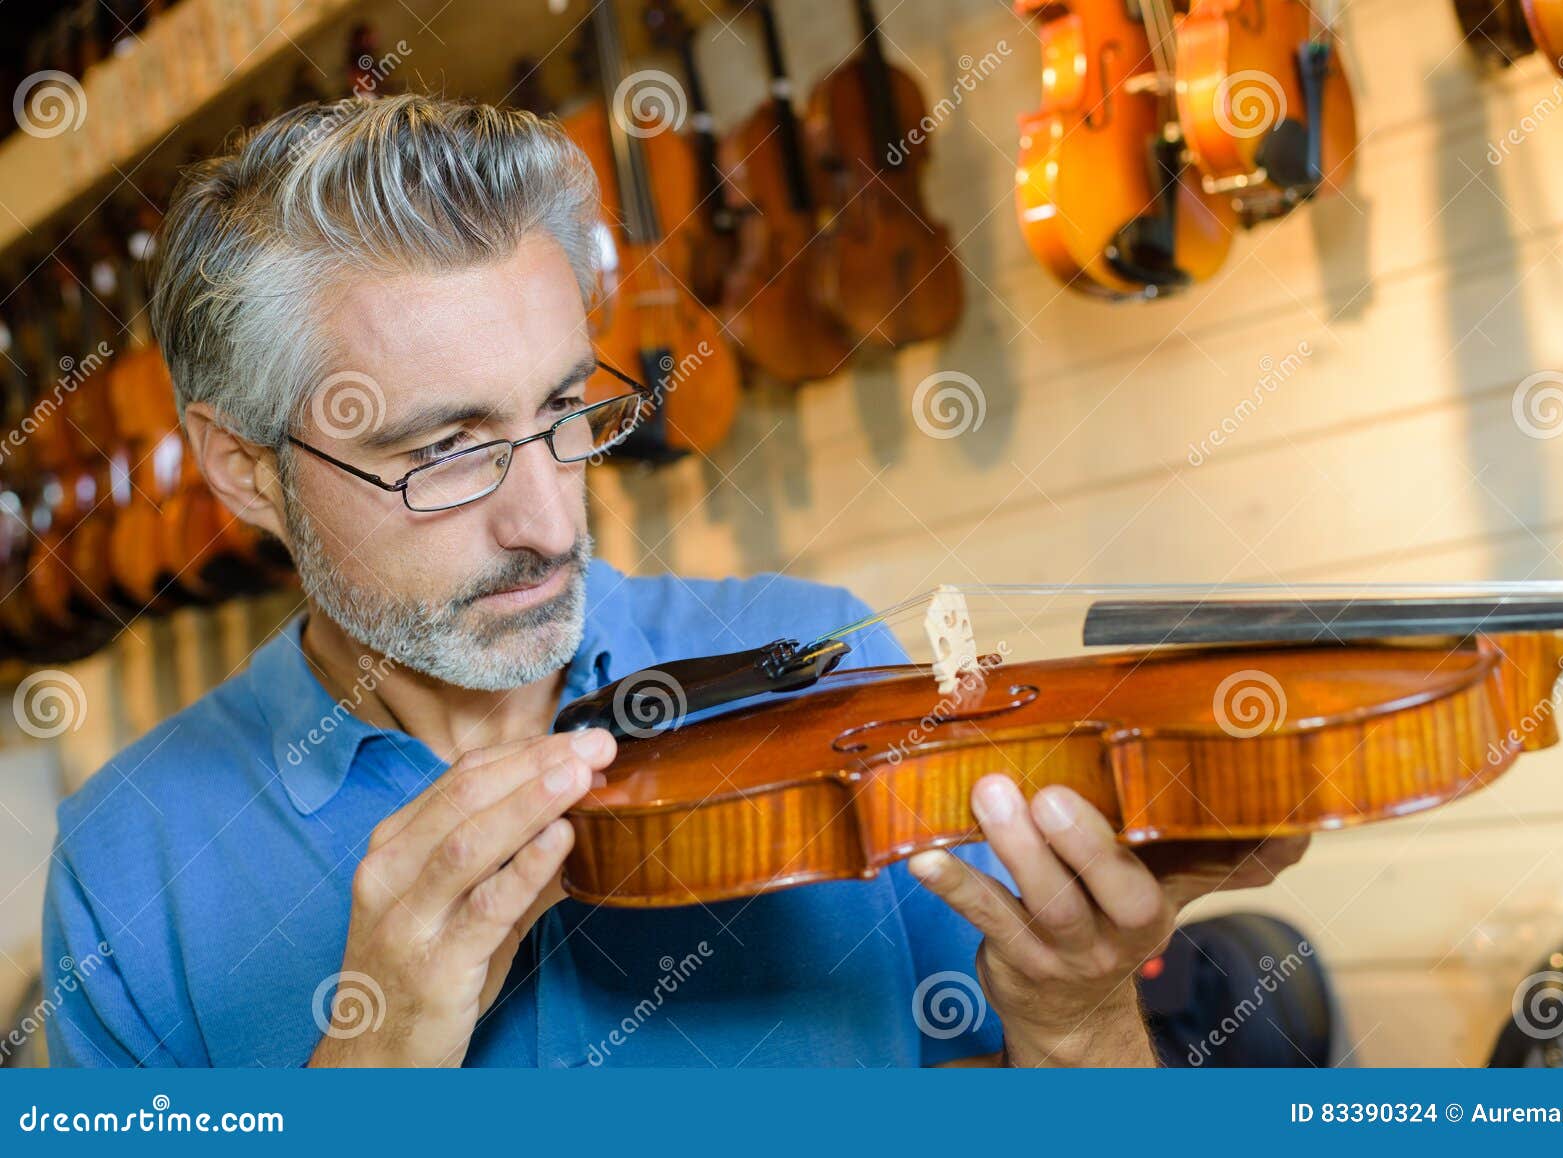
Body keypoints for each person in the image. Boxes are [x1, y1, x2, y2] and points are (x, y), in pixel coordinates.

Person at [42, 94, 1306, 1068]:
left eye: (561, 413)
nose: (546, 521)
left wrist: (1076, 1015)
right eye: (443, 451)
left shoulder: (823, 667)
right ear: (245, 469)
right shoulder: (129, 865)